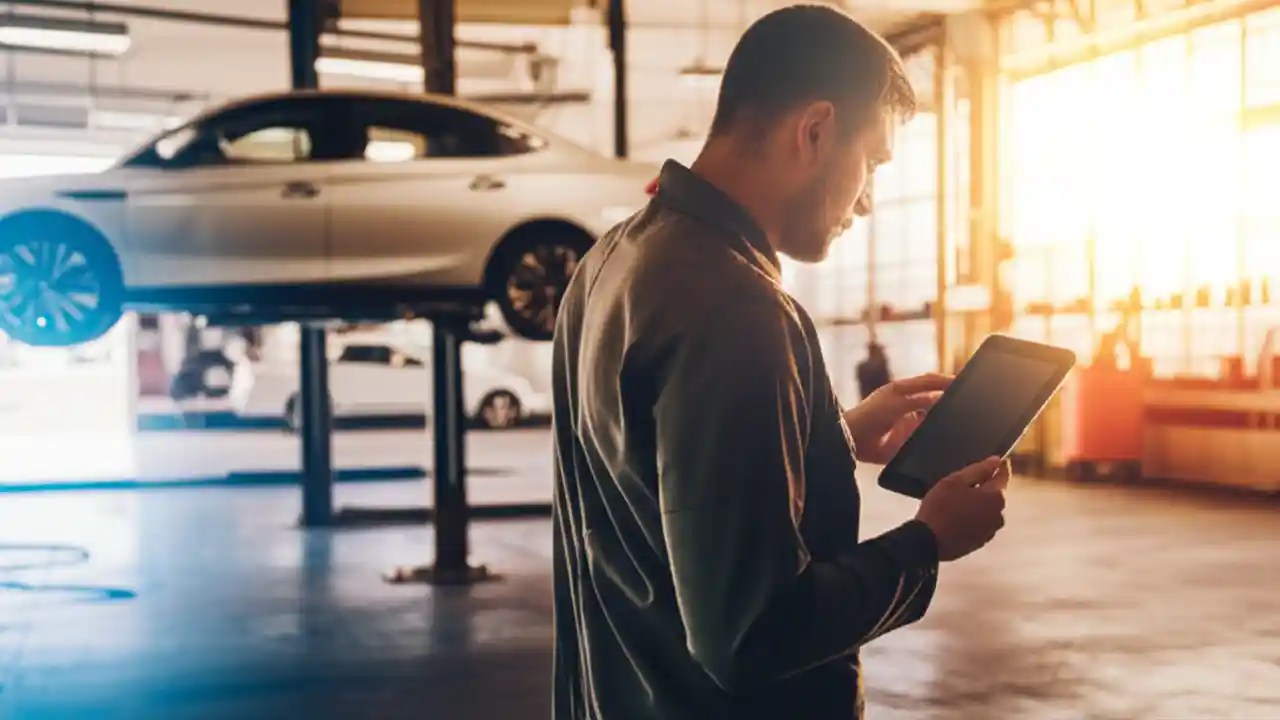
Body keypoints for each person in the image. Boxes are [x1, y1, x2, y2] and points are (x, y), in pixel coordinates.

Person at [551, 6, 1009, 719]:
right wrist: (927, 542)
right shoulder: (736, 307)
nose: (867, 200)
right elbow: (752, 636)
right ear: (816, 131)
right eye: (872, 164)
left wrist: (822, 437)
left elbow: (650, 478)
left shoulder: (613, 260)